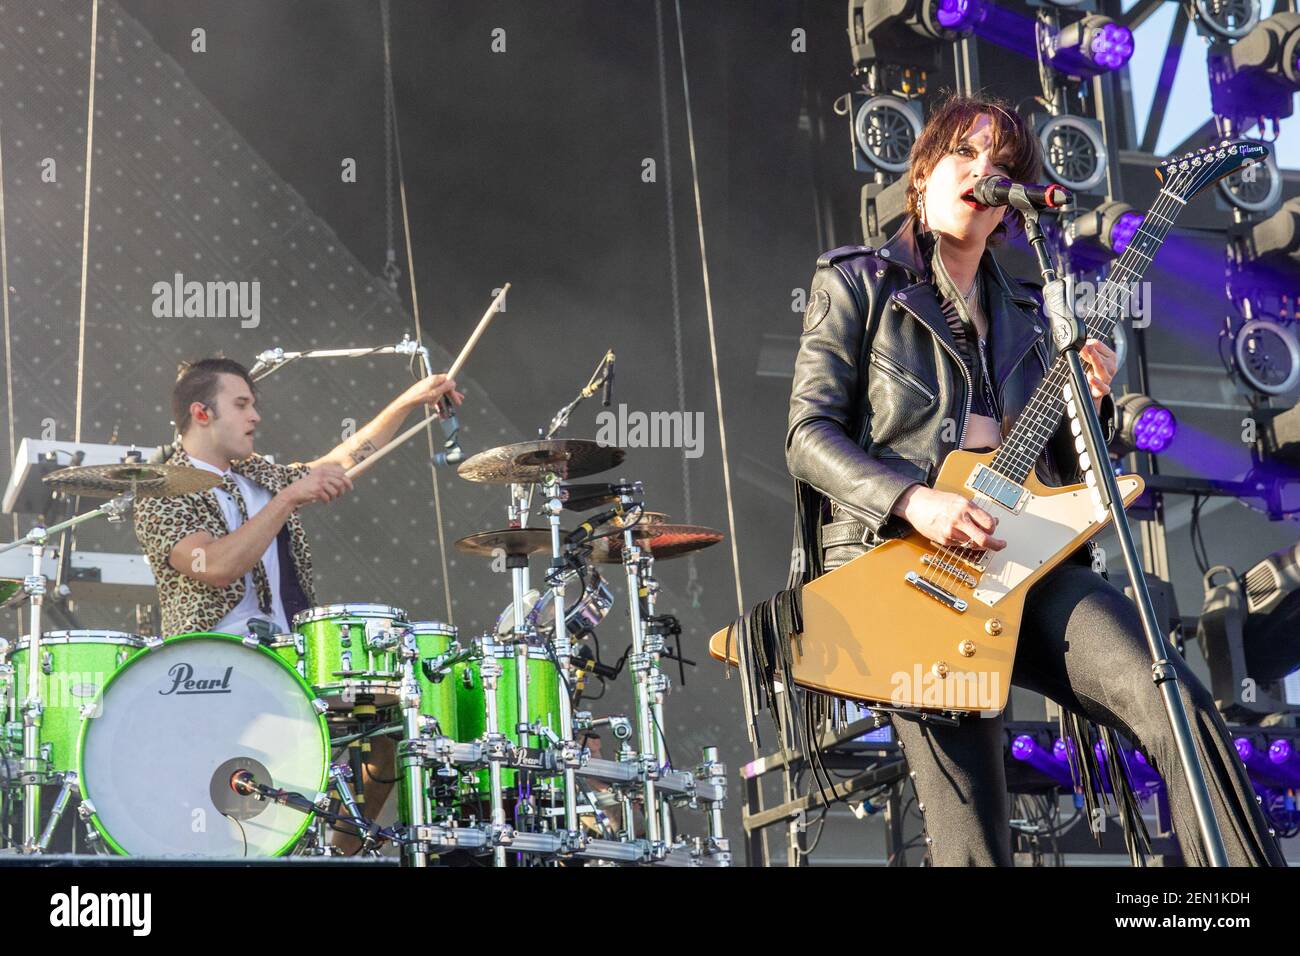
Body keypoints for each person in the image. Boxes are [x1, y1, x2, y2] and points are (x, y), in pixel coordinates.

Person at [783, 93, 1285, 866]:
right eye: (965, 155)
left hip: (1029, 561)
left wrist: (1095, 403)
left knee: (1175, 704)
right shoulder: (856, 284)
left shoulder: (1028, 311)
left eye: (1003, 167)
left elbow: (1058, 468)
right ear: (922, 173)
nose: (983, 174)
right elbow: (807, 436)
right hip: (911, 571)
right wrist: (917, 501)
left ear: (1009, 208)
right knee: (973, 838)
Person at [133, 356, 463, 852]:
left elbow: (349, 455)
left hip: (289, 658)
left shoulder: (257, 473)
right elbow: (215, 564)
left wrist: (410, 401)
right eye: (241, 404)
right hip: (215, 670)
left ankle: (341, 852)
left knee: (392, 727)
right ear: (202, 413)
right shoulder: (161, 490)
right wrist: (288, 499)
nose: (255, 417)